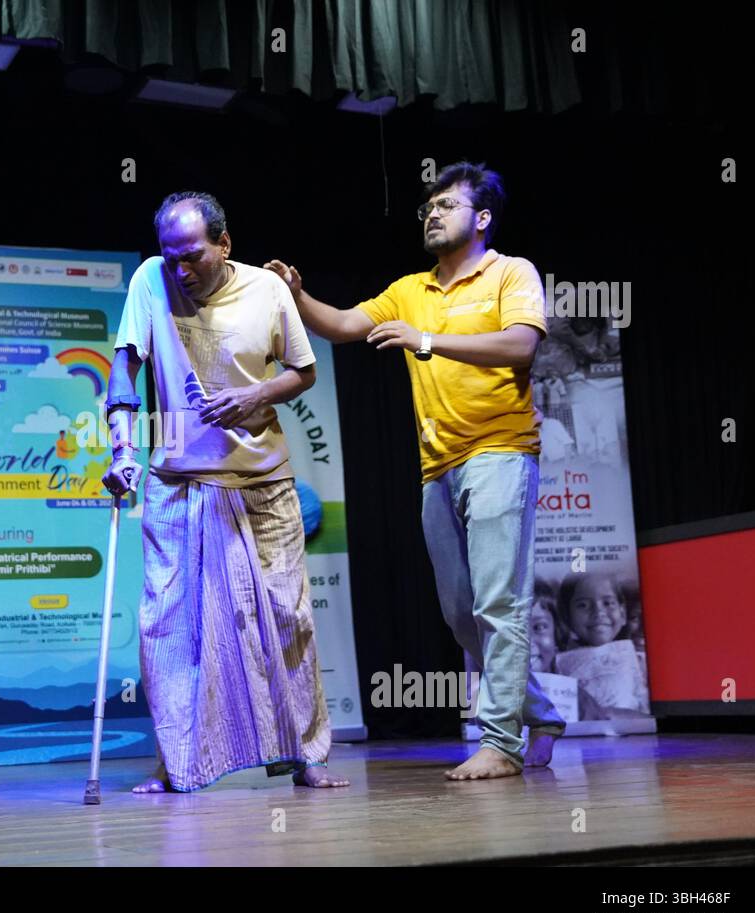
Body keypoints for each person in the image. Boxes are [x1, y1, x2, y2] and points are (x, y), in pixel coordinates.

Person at [267, 161, 566, 780]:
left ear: (481, 219)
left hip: (501, 452)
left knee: (498, 602)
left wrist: (427, 341)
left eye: (446, 205)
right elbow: (346, 325)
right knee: (462, 612)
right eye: (427, 206)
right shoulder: (409, 289)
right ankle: (541, 709)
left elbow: (520, 345)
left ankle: (501, 742)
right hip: (440, 466)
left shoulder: (510, 273)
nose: (431, 213)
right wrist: (297, 297)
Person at [102, 191, 348, 793]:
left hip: (262, 481)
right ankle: (177, 763)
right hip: (177, 480)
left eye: (193, 256)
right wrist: (122, 449)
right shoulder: (149, 282)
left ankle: (307, 756)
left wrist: (255, 396)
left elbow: (304, 370)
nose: (181, 270)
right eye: (171, 257)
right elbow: (124, 367)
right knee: (168, 626)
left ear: (225, 244)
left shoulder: (267, 290)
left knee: (286, 618)